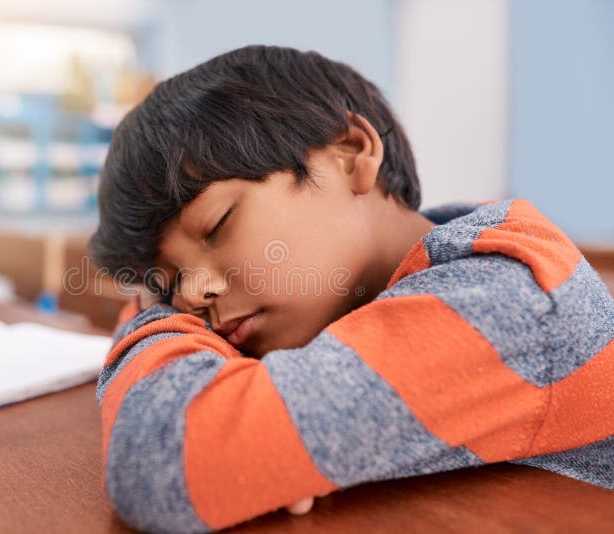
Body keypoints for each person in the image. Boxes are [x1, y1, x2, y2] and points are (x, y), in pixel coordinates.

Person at [88, 45, 614, 533]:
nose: (193, 296)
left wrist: (152, 320)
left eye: (217, 224)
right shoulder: (361, 291)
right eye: (169, 283)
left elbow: (162, 459)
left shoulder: (508, 298)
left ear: (351, 152)